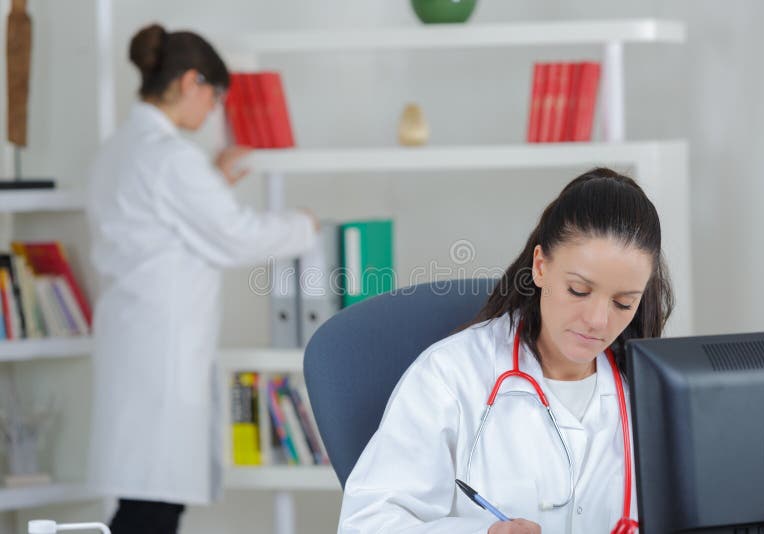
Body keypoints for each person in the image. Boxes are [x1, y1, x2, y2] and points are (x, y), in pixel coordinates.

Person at [338, 168, 674, 534]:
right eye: (578, 290)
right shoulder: (451, 376)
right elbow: (367, 524)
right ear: (541, 266)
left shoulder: (653, 392)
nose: (597, 320)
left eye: (623, 303)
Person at [86, 24, 317, 534]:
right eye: (213, 95)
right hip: (160, 352)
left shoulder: (120, 148)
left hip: (133, 339)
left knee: (145, 500)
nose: (213, 110)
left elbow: (162, 225)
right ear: (191, 82)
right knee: (152, 509)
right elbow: (236, 236)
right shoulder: (169, 158)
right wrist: (304, 225)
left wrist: (213, 179)